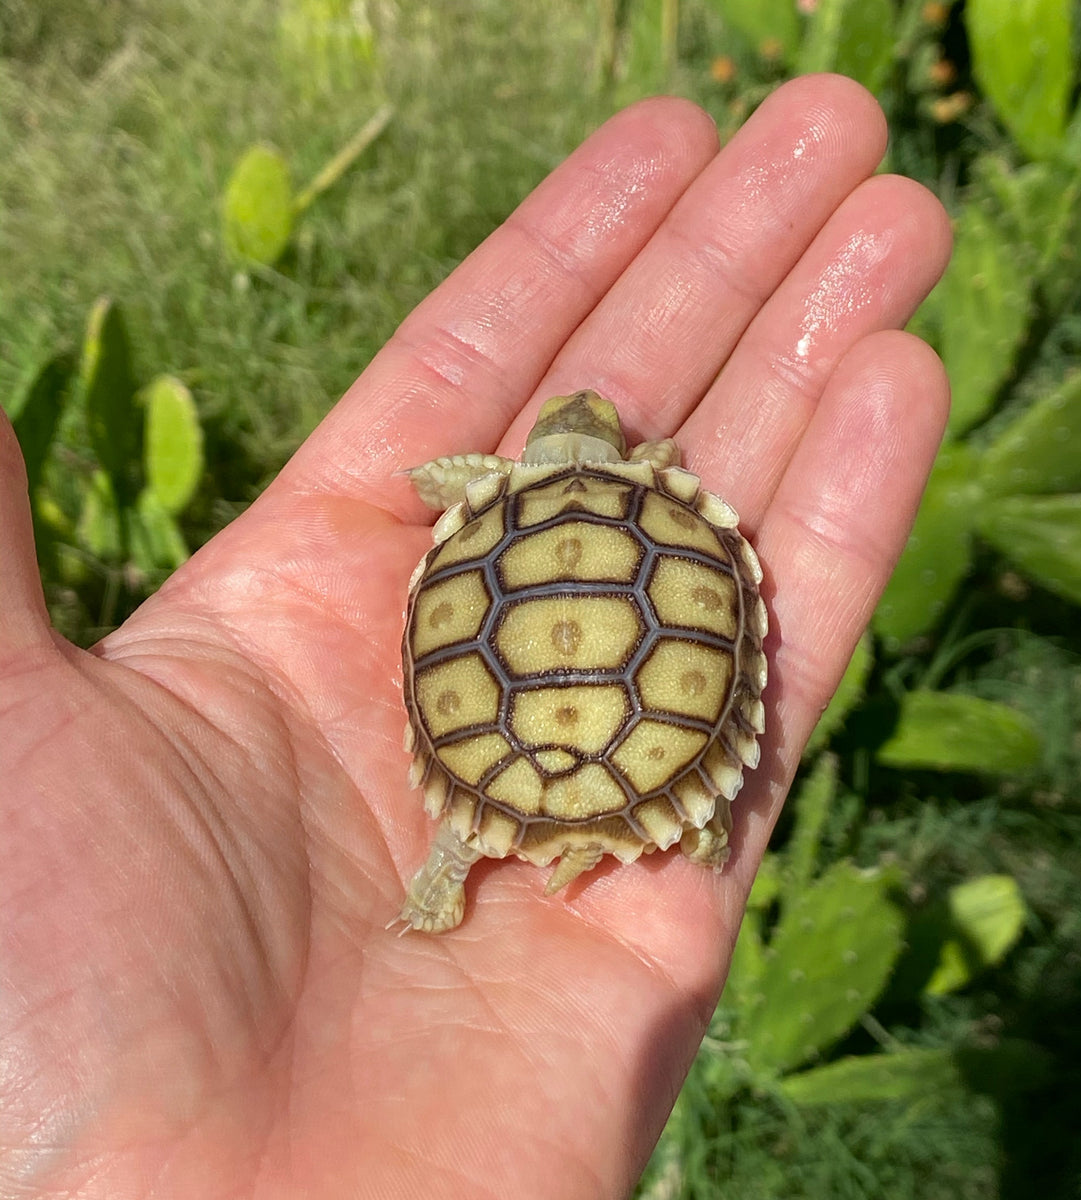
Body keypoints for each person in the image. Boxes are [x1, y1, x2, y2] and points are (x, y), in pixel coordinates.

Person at [0, 75, 951, 1198]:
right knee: (687, 749)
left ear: (526, 461)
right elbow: (692, 568)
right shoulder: (666, 501)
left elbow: (432, 484)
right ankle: (688, 818)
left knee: (488, 788)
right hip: (654, 738)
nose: (588, 415)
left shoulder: (480, 501)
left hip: (491, 746)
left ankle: (456, 857)